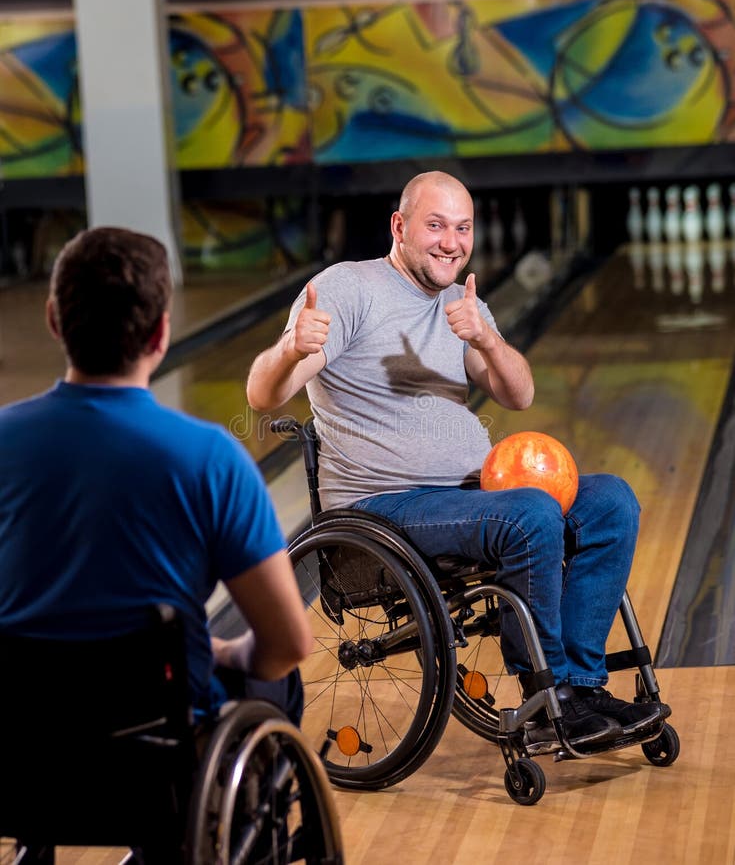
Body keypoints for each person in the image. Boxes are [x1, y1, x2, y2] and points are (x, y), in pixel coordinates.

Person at [247, 170, 669, 754]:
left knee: (611, 501)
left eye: (463, 228)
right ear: (399, 226)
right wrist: (291, 347)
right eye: (436, 225)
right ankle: (548, 694)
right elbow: (263, 395)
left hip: (473, 493)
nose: (452, 241)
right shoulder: (347, 289)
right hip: (387, 508)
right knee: (530, 514)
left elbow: (518, 395)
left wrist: (488, 341)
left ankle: (578, 685)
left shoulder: (459, 302)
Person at [0, 226, 312, 730]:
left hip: (26, 727)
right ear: (162, 333)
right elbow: (288, 643)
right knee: (281, 680)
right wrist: (229, 653)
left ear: (54, 320)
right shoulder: (211, 459)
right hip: (157, 735)